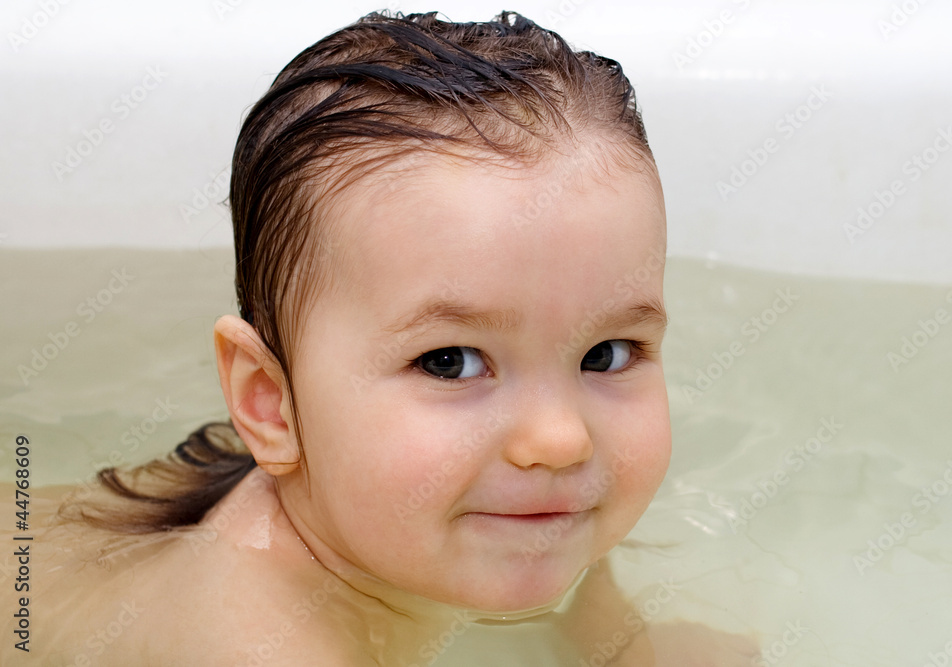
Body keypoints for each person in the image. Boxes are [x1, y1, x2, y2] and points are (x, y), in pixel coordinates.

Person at [1, 11, 757, 665]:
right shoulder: (258, 639)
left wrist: (623, 644)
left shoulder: (500, 497)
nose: (561, 440)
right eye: (450, 361)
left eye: (604, 355)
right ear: (270, 403)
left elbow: (577, 562)